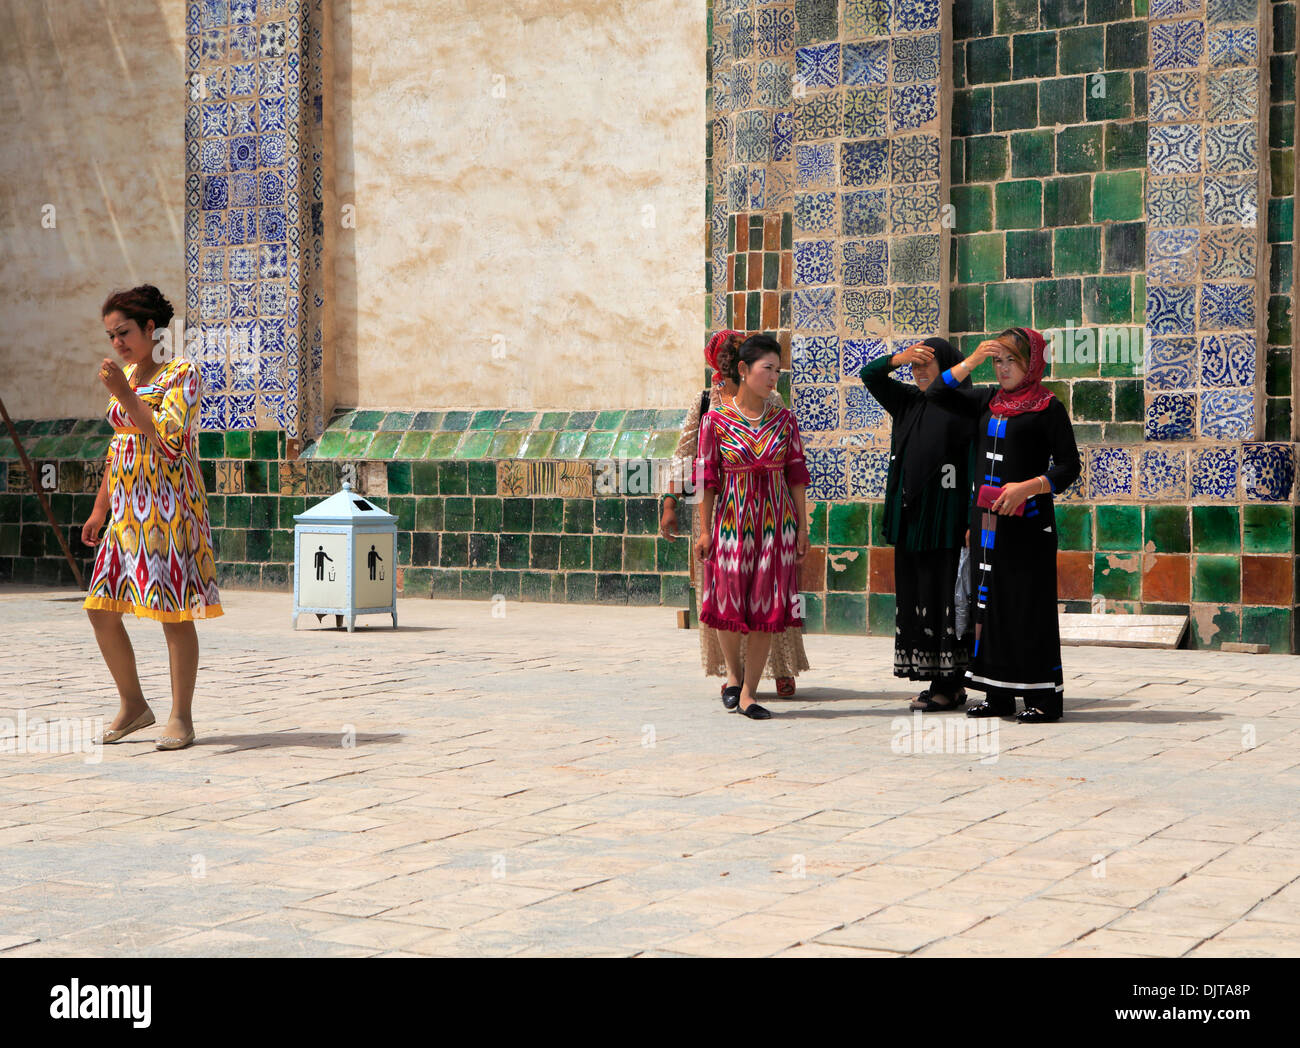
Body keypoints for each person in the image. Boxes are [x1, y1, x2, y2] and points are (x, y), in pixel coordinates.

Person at [81, 285, 222, 751]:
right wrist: (100, 507)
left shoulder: (182, 372)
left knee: (174, 614)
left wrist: (124, 393)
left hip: (167, 509)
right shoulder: (127, 373)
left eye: (124, 332)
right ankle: (134, 704)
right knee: (101, 610)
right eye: (110, 336)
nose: (117, 343)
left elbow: (168, 442)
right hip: (124, 509)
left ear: (149, 328)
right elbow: (119, 444)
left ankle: (181, 716)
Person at [924, 328, 1080, 723]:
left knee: (1026, 605)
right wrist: (973, 360)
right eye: (998, 360)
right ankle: (997, 695)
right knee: (988, 606)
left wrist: (1030, 487)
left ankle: (1043, 699)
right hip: (987, 524)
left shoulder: (1048, 407)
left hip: (1028, 525)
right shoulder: (987, 401)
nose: (1003, 368)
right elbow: (937, 393)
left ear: (1032, 363)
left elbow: (1068, 467)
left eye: (1012, 360)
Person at [663, 330, 810, 697]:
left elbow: (796, 474)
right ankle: (733, 675)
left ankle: (770, 675)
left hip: (776, 524)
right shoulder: (710, 412)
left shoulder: (780, 413)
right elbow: (699, 470)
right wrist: (696, 522)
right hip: (729, 518)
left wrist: (803, 527)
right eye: (768, 368)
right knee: (726, 598)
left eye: (778, 370)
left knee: (769, 601)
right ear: (739, 367)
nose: (774, 376)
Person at [860, 338, 975, 711]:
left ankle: (950, 683)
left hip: (947, 519)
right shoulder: (907, 402)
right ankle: (938, 682)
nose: (920, 372)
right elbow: (870, 375)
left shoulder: (965, 405)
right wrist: (898, 358)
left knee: (947, 597)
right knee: (919, 596)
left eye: (928, 364)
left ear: (948, 366)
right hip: (911, 518)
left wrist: (973, 516)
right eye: (916, 366)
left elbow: (975, 466)